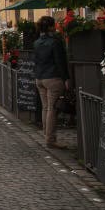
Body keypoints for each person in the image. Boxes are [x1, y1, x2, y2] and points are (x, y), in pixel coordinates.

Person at [33, 16, 70, 149]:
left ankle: (46, 135)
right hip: (53, 78)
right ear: (50, 27)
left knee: (46, 108)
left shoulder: (37, 42)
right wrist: (66, 78)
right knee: (52, 109)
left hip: (40, 78)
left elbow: (36, 61)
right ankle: (50, 140)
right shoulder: (55, 42)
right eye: (53, 25)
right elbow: (60, 62)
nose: (55, 26)